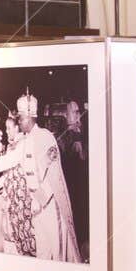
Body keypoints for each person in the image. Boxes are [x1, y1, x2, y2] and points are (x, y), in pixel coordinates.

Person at [0, 91, 82, 263]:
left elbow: (50, 175)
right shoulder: (26, 140)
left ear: (29, 118)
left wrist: (40, 202)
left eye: (21, 119)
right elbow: (9, 160)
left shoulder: (45, 137)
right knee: (43, 251)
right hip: (36, 207)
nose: (19, 122)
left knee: (57, 249)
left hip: (51, 206)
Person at [56, 100, 88, 253]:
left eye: (78, 111)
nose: (77, 114)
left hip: (84, 184)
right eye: (74, 112)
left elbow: (85, 157)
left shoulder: (82, 132)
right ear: (67, 115)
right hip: (70, 184)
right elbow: (66, 157)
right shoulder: (64, 136)